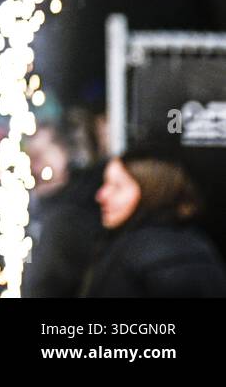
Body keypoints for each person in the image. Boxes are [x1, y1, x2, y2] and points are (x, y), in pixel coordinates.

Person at [81, 149, 226, 297]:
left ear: (152, 191)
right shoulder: (196, 243)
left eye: (117, 186)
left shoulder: (140, 255)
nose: (101, 195)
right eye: (105, 183)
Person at [21, 122, 105, 298]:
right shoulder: (22, 202)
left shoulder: (84, 197)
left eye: (45, 150)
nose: (38, 161)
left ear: (64, 150)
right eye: (33, 154)